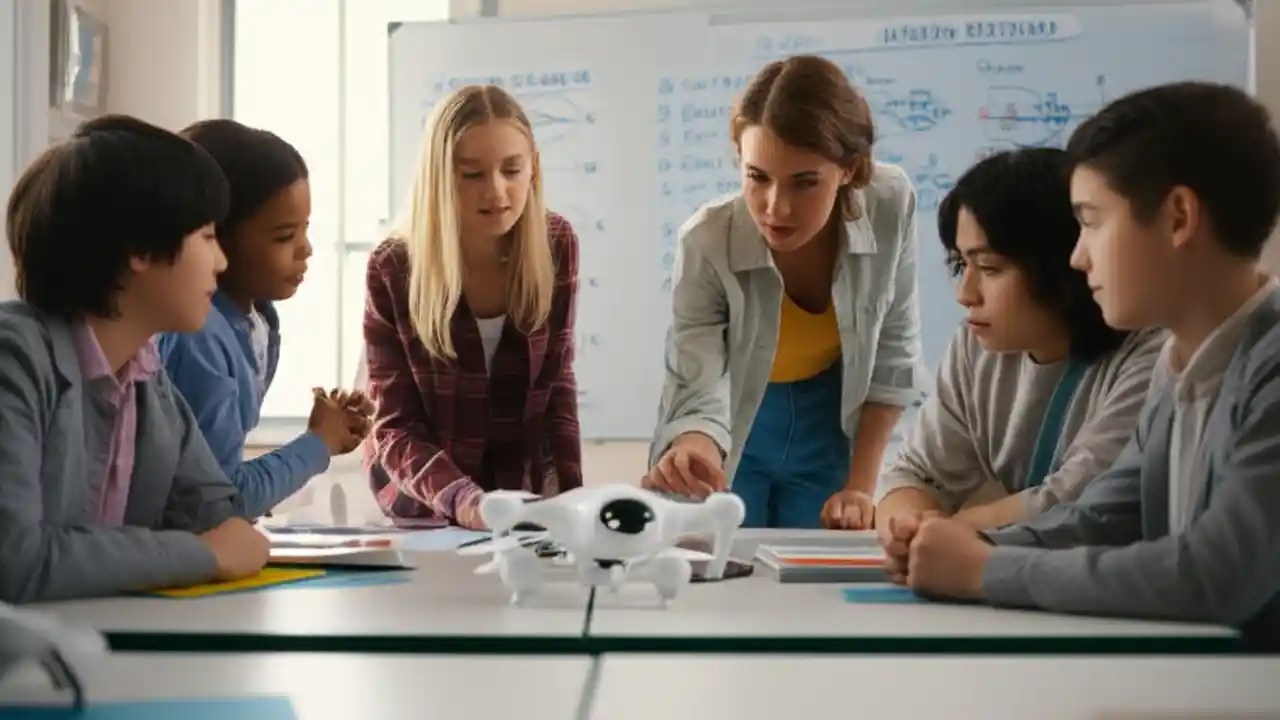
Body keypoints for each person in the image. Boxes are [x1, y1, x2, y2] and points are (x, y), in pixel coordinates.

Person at [887, 81, 1280, 648]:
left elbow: (1214, 575)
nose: (1077, 255)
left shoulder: (1269, 364)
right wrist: (963, 548)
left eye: (1092, 222)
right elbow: (1101, 518)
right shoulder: (1179, 364)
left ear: (1178, 217)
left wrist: (982, 571)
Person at [645, 54, 926, 529]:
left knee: (815, 581)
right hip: (737, 424)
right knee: (724, 573)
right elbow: (698, 376)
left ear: (849, 170)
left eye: (805, 182)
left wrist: (859, 486)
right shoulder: (707, 242)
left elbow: (894, 354)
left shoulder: (888, 202)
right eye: (758, 177)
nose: (777, 207)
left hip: (828, 422)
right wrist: (694, 442)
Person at [0, 115, 269, 603]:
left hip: (93, 646)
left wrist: (213, 543)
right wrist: (202, 554)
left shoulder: (145, 373)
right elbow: (14, 561)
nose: (222, 262)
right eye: (208, 236)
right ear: (140, 247)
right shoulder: (14, 359)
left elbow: (218, 513)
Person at [873, 148, 1164, 534]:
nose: (966, 293)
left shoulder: (1151, 354)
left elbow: (1078, 500)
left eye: (990, 268)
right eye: (962, 265)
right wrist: (908, 526)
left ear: (1064, 265)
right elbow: (915, 473)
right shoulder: (976, 346)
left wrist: (951, 532)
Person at [362, 84, 583, 529]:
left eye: (512, 169)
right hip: (425, 502)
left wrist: (576, 503)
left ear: (533, 169)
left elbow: (556, 382)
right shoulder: (394, 266)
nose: (496, 191)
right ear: (440, 176)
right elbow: (395, 425)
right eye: (472, 174)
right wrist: (466, 502)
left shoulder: (556, 243)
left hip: (517, 496)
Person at [158, 119, 372, 519]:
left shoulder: (259, 321)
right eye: (283, 236)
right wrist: (318, 443)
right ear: (214, 235)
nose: (305, 249)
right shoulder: (198, 337)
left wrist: (331, 428)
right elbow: (220, 503)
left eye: (304, 230)